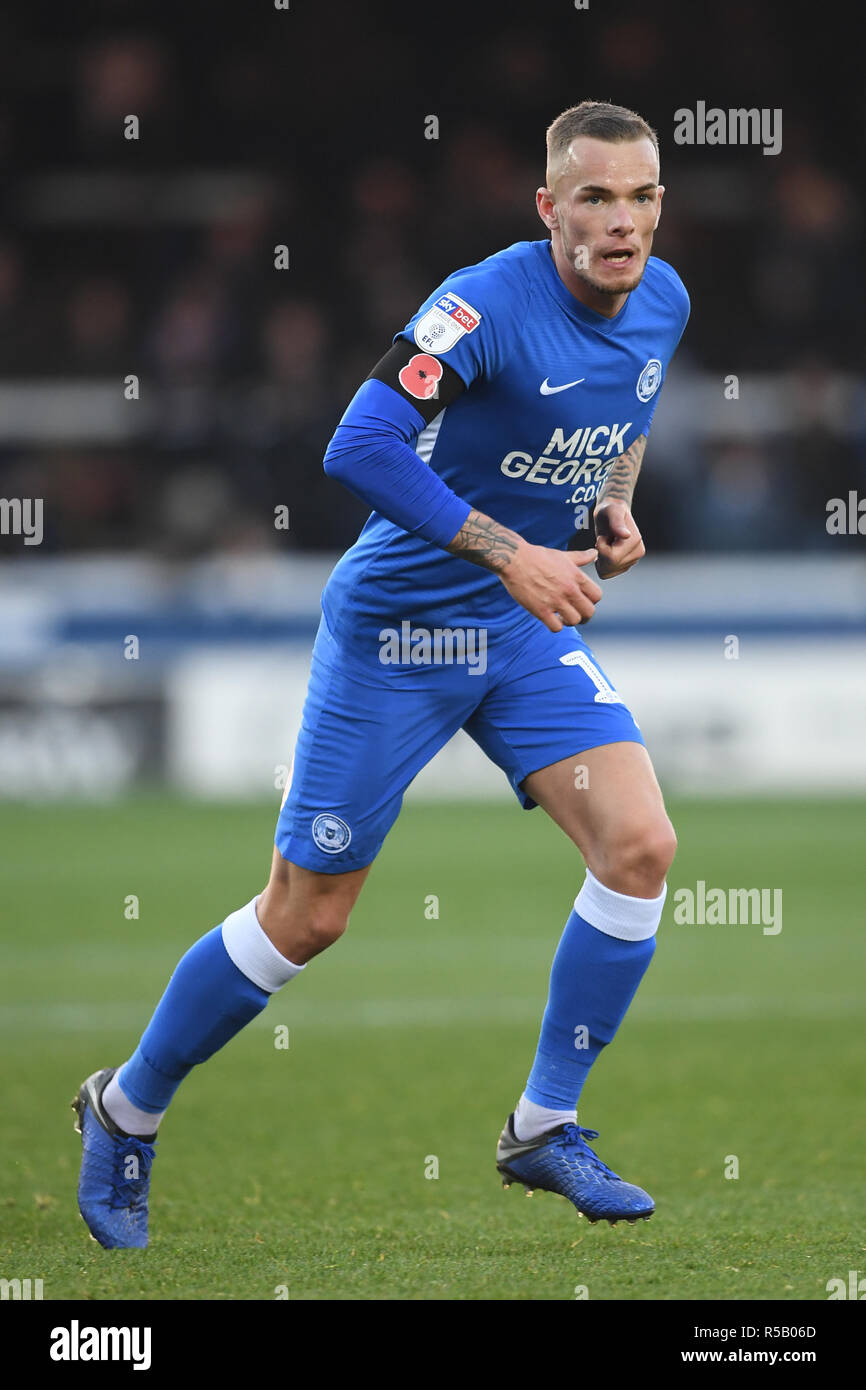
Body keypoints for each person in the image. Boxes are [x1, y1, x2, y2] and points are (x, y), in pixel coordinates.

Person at [73, 100, 689, 1247]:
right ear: (548, 208)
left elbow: (625, 415)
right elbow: (354, 445)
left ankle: (543, 1126)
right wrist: (511, 553)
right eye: (594, 199)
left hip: (518, 636)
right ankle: (125, 1106)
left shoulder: (664, 301)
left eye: (641, 196)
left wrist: (610, 502)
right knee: (307, 918)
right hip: (401, 630)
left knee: (641, 846)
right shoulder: (481, 303)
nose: (621, 222)